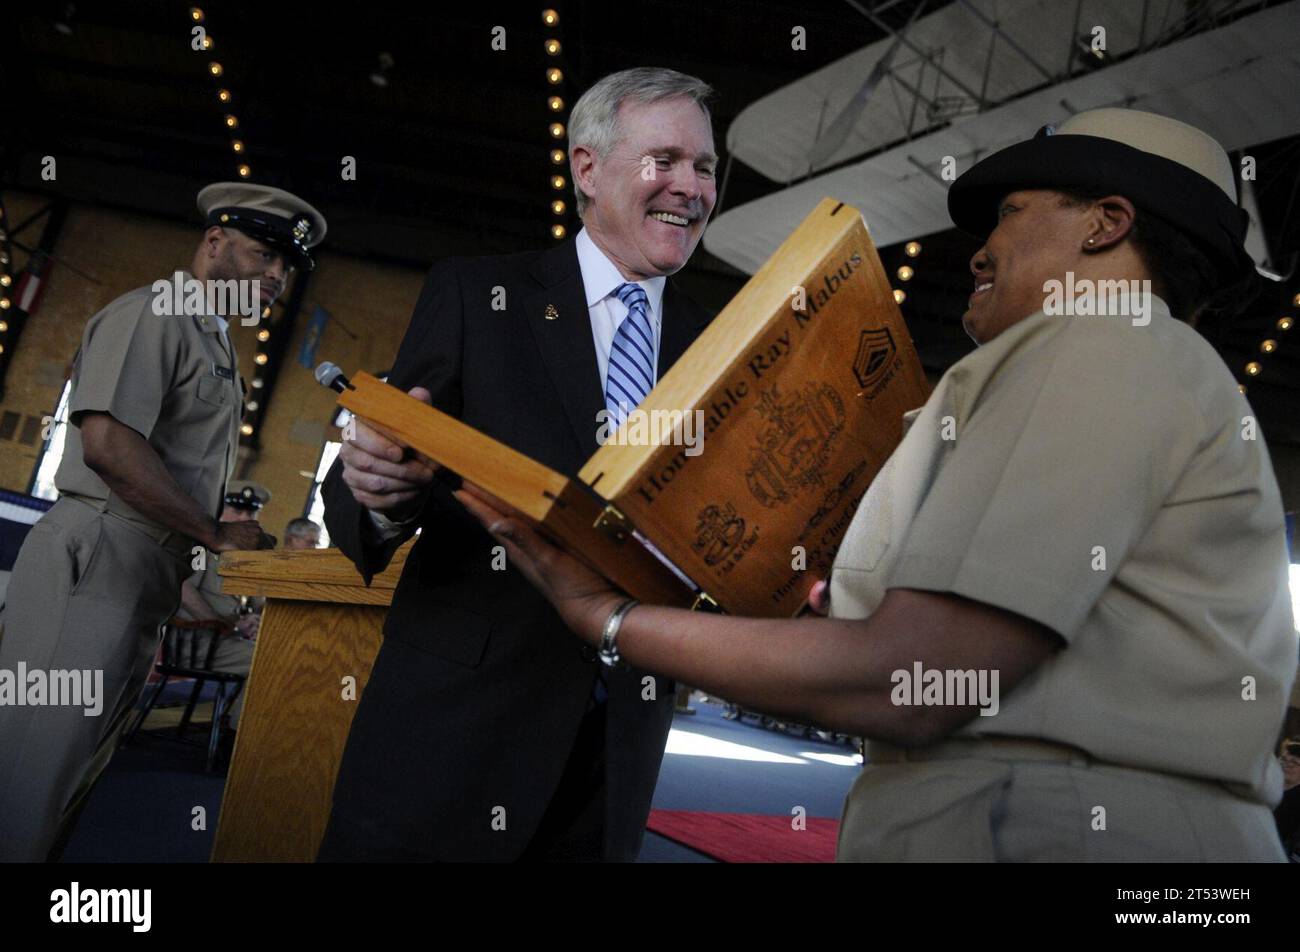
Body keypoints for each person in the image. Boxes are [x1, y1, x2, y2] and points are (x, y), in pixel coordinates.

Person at [453, 108, 1297, 861]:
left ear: (1107, 225)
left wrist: (610, 618)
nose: (981, 247)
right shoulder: (1135, 366)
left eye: (1010, 213)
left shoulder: (1098, 342)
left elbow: (915, 677)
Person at [319, 67, 717, 861]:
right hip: (456, 733)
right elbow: (373, 474)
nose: (690, 187)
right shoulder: (478, 295)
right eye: (664, 160)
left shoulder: (724, 345)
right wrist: (382, 493)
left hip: (617, 747)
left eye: (706, 167)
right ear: (588, 169)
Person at [0, 183, 323, 862]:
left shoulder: (212, 340)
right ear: (213, 243)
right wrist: (212, 531)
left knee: (67, 777)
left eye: (286, 268)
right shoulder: (157, 314)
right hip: (100, 555)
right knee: (30, 771)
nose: (276, 277)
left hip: (142, 570)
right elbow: (109, 446)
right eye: (264, 255)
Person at [175, 482, 275, 728]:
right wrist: (223, 624)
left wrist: (253, 619)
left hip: (230, 641)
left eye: (251, 513)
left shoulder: (245, 555)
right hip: (197, 640)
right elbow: (184, 591)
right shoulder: (201, 548)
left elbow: (256, 603)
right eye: (236, 511)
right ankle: (236, 733)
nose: (244, 518)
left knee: (277, 657)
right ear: (219, 510)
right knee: (268, 663)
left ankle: (241, 726)